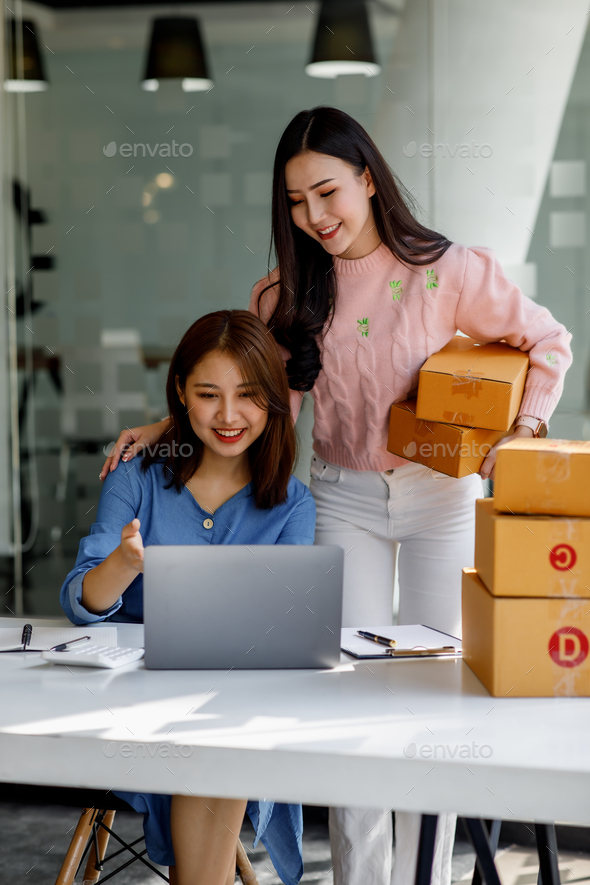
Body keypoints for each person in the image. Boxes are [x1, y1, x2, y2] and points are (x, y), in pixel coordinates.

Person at [100, 107, 573, 885]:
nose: (314, 216)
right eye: (294, 201)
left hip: (441, 496)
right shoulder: (282, 294)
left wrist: (522, 427)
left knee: (433, 701)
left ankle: (425, 874)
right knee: (349, 699)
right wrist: (168, 422)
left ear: (366, 178)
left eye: (327, 192)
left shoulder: (446, 270)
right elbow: (251, 399)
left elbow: (548, 340)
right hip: (341, 494)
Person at [63, 309, 315, 885]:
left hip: (230, 704)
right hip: (129, 702)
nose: (229, 416)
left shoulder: (292, 504)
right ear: (180, 393)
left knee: (219, 735)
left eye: (248, 395)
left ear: (273, 399)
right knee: (213, 743)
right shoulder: (139, 474)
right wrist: (126, 563)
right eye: (208, 394)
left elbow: (291, 625)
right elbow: (81, 600)